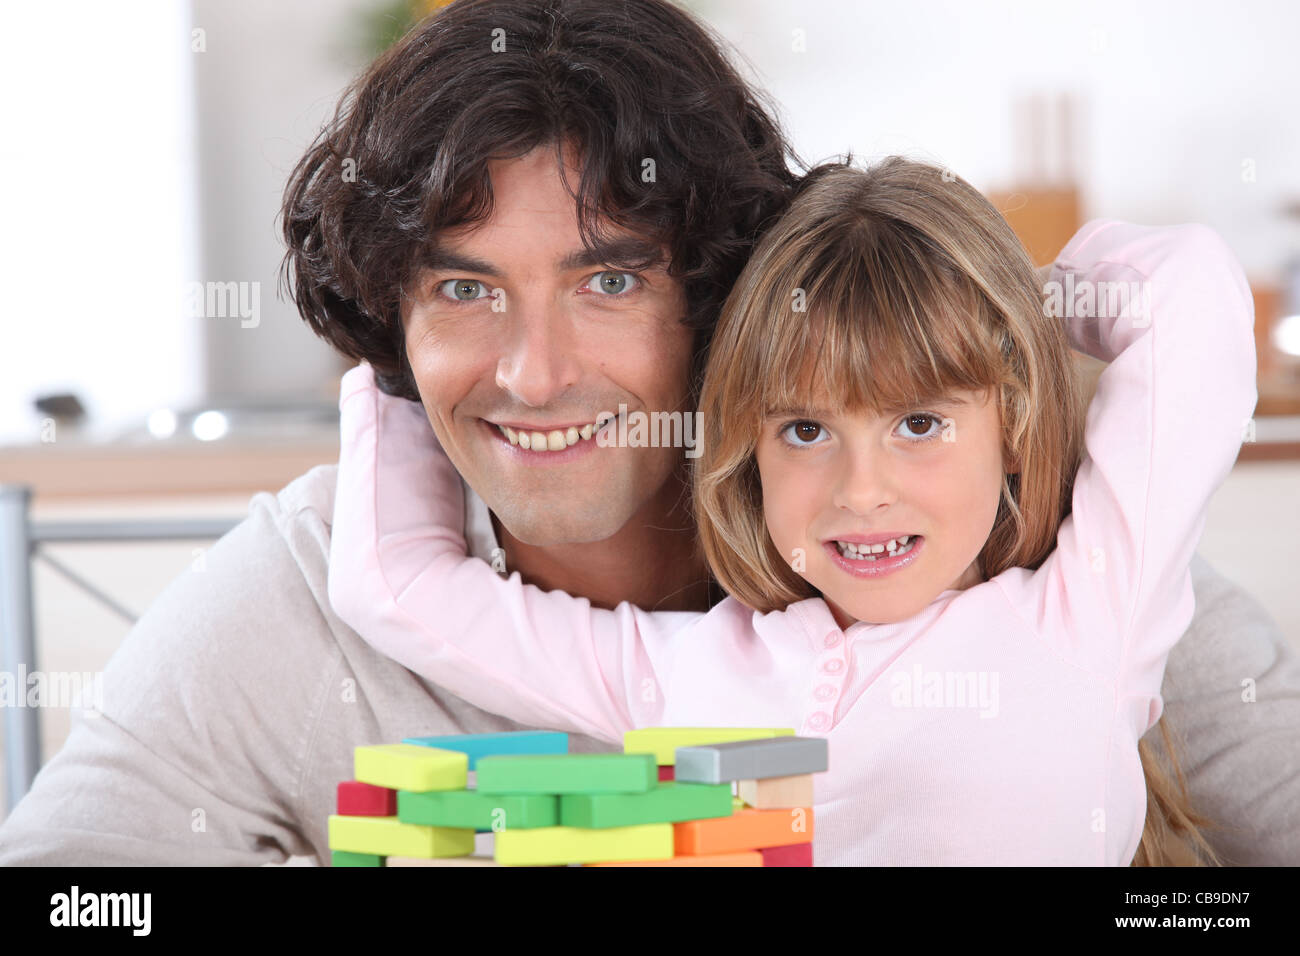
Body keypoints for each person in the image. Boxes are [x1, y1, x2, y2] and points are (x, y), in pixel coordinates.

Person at [1, 0, 1296, 866]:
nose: (535, 370)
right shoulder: (290, 606)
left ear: (725, 284)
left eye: (610, 280)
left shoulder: (994, 540)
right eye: (461, 289)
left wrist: (983, 308)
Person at [325, 156, 1257, 865]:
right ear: (749, 450)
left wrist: (980, 304)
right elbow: (396, 587)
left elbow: (1191, 294)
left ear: (1011, 424)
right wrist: (395, 358)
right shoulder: (678, 672)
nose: (861, 491)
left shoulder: (1090, 613)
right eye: (805, 432)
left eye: (921, 420)